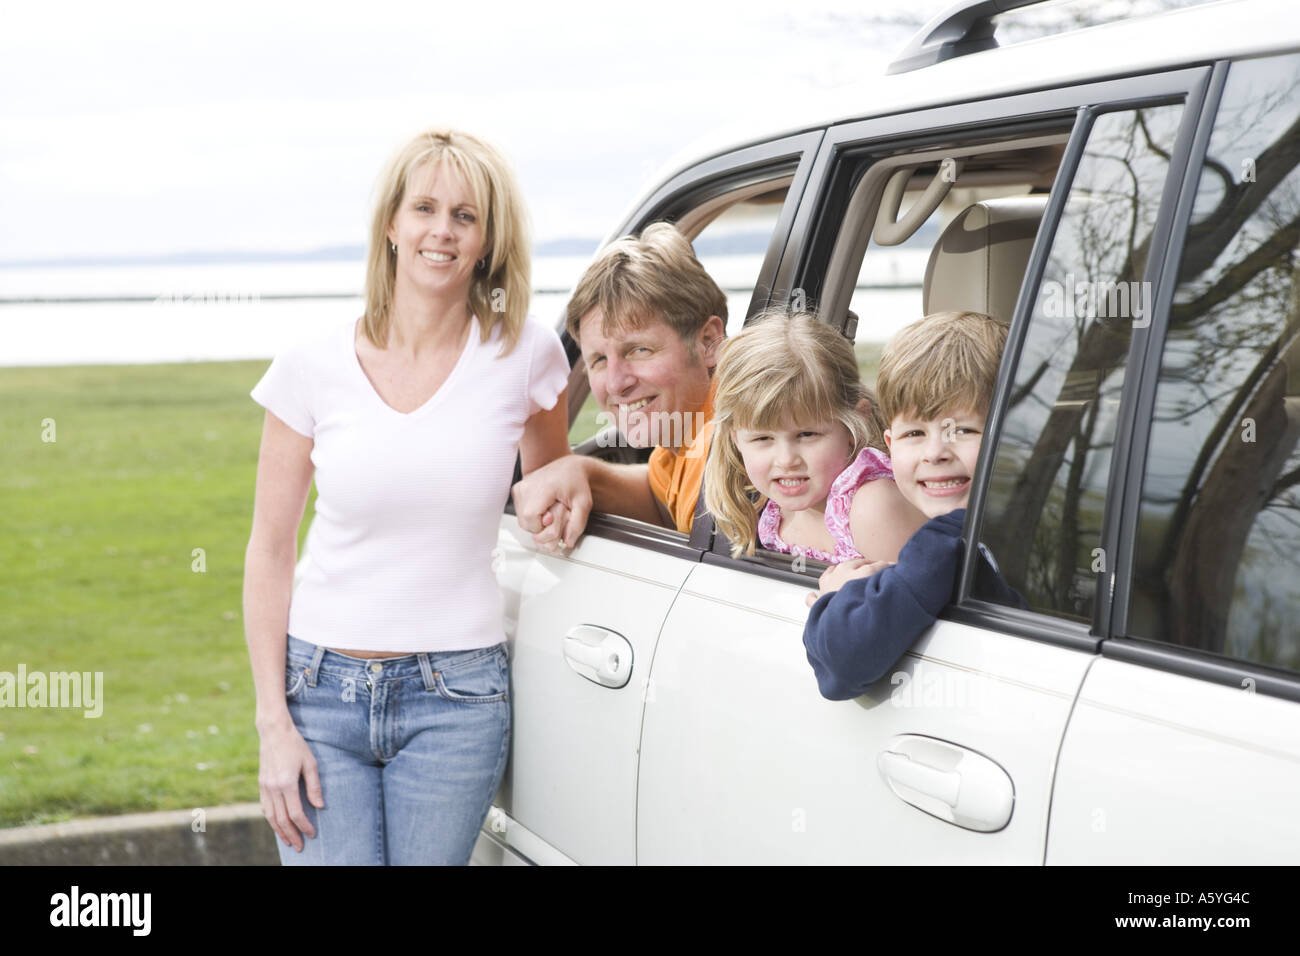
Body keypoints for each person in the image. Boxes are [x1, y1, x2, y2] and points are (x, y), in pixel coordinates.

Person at [242, 128, 570, 865]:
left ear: (488, 240)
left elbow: (552, 499)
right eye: (424, 208)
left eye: (466, 215)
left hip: (456, 698)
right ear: (390, 223)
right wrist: (274, 723)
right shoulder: (309, 365)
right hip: (318, 692)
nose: (441, 232)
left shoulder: (528, 355)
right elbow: (268, 549)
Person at [802, 310, 1022, 700]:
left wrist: (839, 596)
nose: (935, 452)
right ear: (889, 444)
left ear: (1015, 436)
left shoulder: (942, 546)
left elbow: (843, 667)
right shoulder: (1040, 520)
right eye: (915, 433)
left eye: (963, 430)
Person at [510, 221, 726, 550]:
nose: (615, 383)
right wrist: (581, 470)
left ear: (708, 342)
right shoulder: (690, 437)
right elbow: (659, 498)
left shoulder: (737, 447)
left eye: (639, 350)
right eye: (598, 360)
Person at [704, 311, 925, 562]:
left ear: (855, 424)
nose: (786, 460)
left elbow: (905, 597)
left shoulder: (873, 507)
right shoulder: (765, 503)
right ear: (736, 440)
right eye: (762, 439)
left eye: (807, 434)